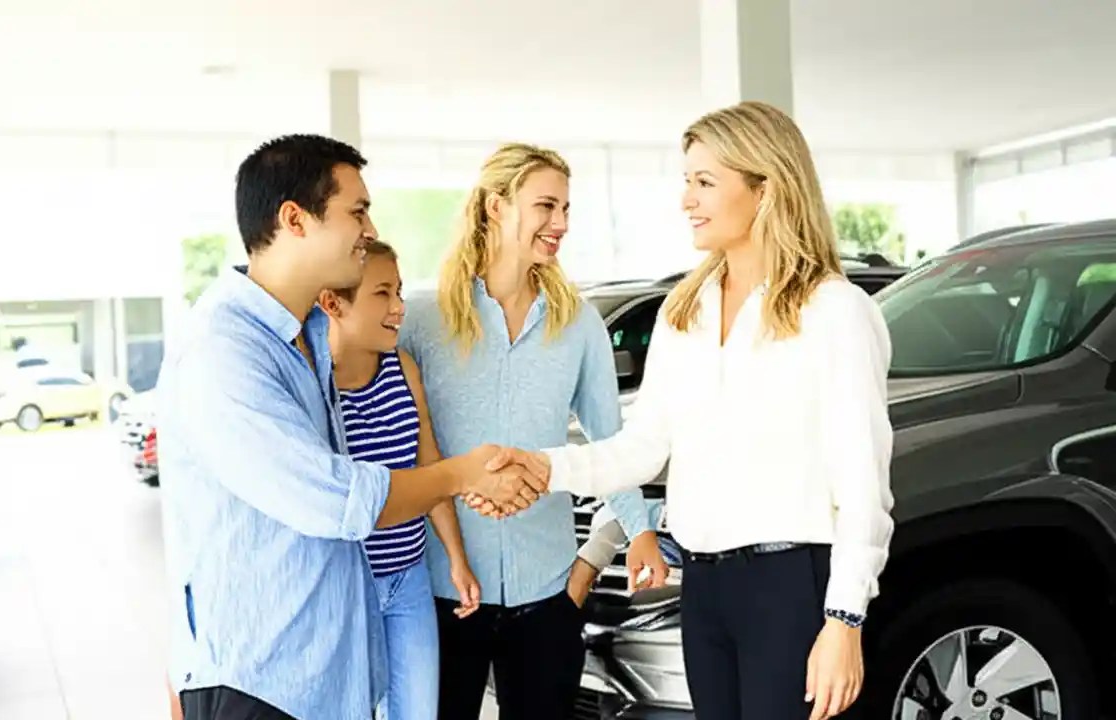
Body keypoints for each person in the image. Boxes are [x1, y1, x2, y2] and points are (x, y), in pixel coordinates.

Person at [483, 101, 895, 720]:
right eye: (686, 181)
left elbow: (864, 483)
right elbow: (643, 446)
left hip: (791, 586)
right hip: (704, 589)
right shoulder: (687, 309)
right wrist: (543, 469)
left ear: (765, 188)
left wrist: (844, 620)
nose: (686, 200)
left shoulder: (834, 311)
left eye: (705, 181)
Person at [156, 133, 546, 720]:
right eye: (356, 210)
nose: (369, 229)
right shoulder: (222, 349)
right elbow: (336, 500)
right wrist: (462, 474)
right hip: (257, 683)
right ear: (295, 220)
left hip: (324, 678)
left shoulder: (305, 335)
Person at [398, 142, 671, 720]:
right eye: (546, 206)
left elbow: (608, 438)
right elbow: (400, 442)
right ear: (495, 207)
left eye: (567, 209)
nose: (561, 224)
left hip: (548, 591)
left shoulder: (578, 324)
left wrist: (638, 532)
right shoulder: (422, 321)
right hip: (445, 588)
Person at [317, 238, 479, 720]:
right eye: (382, 294)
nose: (399, 307)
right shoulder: (312, 384)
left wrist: (456, 559)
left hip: (408, 579)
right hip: (347, 587)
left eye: (400, 292)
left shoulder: (402, 368)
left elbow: (429, 471)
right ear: (333, 304)